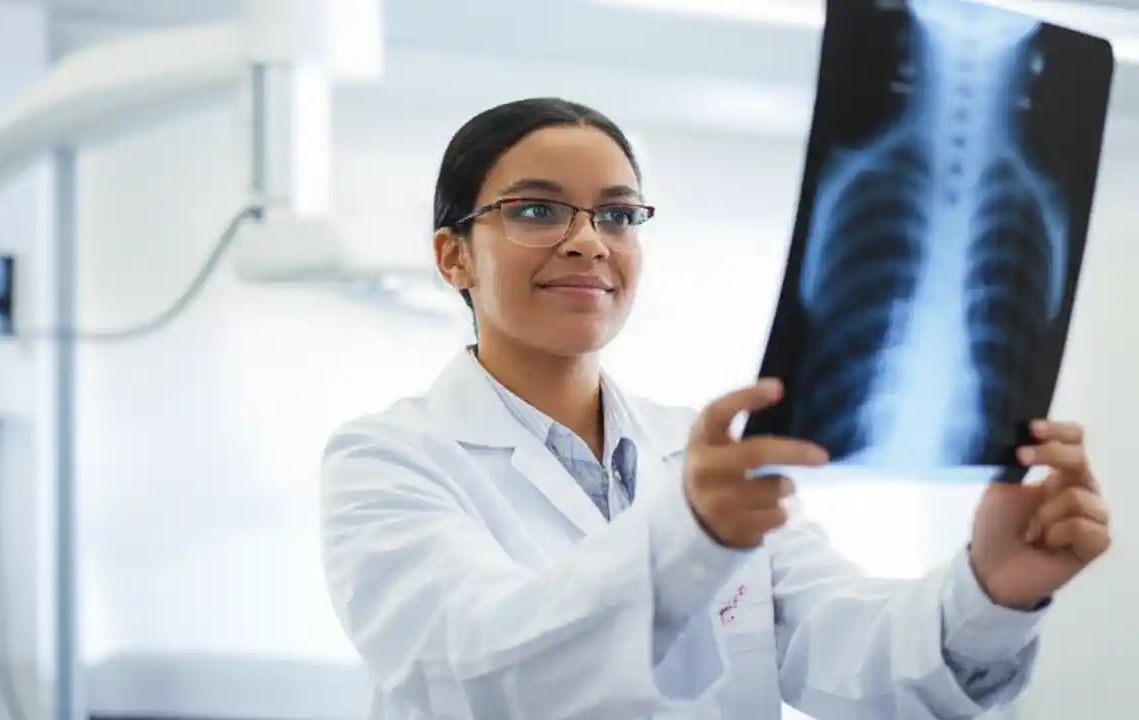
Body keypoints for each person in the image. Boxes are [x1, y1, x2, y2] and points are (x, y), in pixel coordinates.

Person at [318, 97, 1111, 719]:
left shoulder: (699, 460)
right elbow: (478, 671)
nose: (590, 241)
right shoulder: (387, 462)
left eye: (619, 214)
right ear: (453, 255)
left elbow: (851, 653)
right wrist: (690, 540)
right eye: (537, 209)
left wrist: (991, 591)